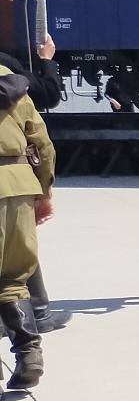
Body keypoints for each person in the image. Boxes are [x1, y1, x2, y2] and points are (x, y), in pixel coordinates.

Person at [0, 36, 68, 333]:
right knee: (16, 257)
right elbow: (42, 142)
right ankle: (33, 329)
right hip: (14, 184)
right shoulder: (8, 72)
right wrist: (47, 61)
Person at [0, 68, 54, 390]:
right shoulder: (9, 81)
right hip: (18, 187)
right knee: (13, 277)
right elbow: (42, 143)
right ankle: (29, 354)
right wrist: (44, 191)